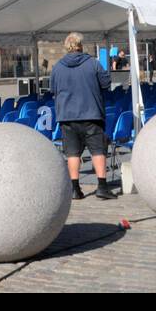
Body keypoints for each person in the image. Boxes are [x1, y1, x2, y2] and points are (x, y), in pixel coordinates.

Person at [50, 32, 115, 200]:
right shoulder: (93, 64)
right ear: (81, 45)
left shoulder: (57, 67)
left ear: (66, 47)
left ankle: (75, 189)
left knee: (72, 153)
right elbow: (106, 83)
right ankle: (102, 186)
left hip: (67, 116)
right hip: (91, 113)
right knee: (97, 151)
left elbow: (53, 90)